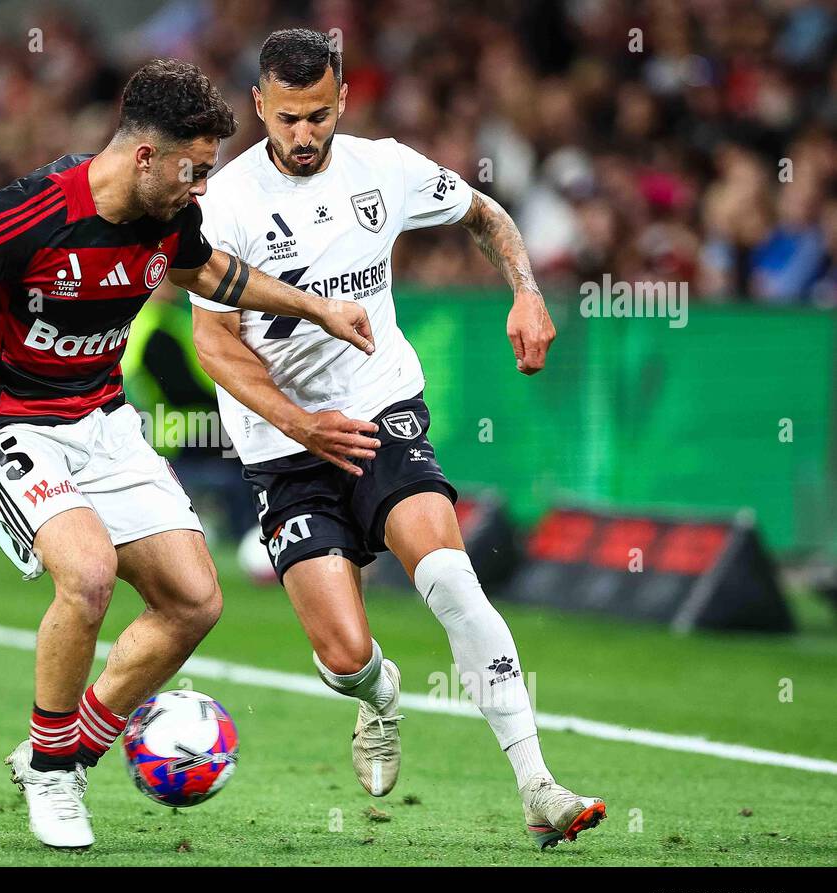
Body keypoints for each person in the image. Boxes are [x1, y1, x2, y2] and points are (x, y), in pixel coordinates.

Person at [0, 58, 372, 851]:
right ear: (145, 155)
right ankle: (52, 776)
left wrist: (314, 306)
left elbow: (212, 271)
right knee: (87, 577)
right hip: (1, 424)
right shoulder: (27, 216)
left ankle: (66, 751)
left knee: (195, 601)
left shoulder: (167, 213)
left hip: (100, 419)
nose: (204, 189)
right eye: (195, 170)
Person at [189, 30, 605, 850]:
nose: (304, 136)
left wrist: (526, 291)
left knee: (450, 574)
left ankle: (538, 785)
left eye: (318, 116)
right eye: (287, 119)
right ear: (259, 109)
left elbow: (486, 214)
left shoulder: (383, 167)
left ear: (341, 101)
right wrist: (300, 423)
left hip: (380, 408)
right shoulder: (224, 204)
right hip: (282, 443)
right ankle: (379, 697)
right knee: (344, 653)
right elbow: (215, 343)